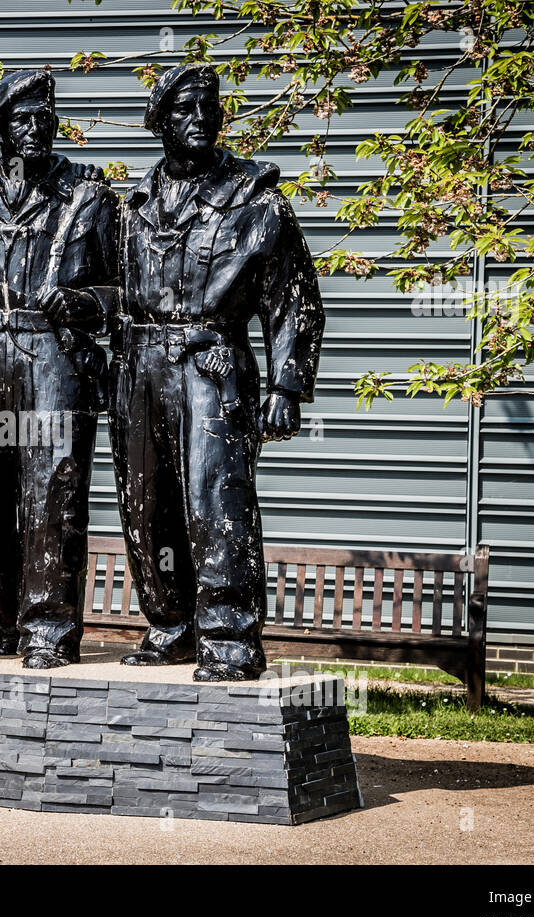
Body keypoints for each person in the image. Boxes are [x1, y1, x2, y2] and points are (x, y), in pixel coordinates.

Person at [110, 63, 326, 681]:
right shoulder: (137, 203)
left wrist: (288, 384)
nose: (200, 118)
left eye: (210, 106)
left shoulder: (253, 200)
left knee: (215, 499)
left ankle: (228, 635)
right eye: (184, 109)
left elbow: (293, 298)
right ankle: (170, 624)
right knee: (146, 502)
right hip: (141, 365)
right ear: (160, 123)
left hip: (213, 361)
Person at [0, 69, 119, 669]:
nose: (36, 128)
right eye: (22, 118)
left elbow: (129, 289)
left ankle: (48, 626)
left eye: (44, 116)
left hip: (54, 355)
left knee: (53, 496)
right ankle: (6, 618)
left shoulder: (87, 195)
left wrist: (89, 302)